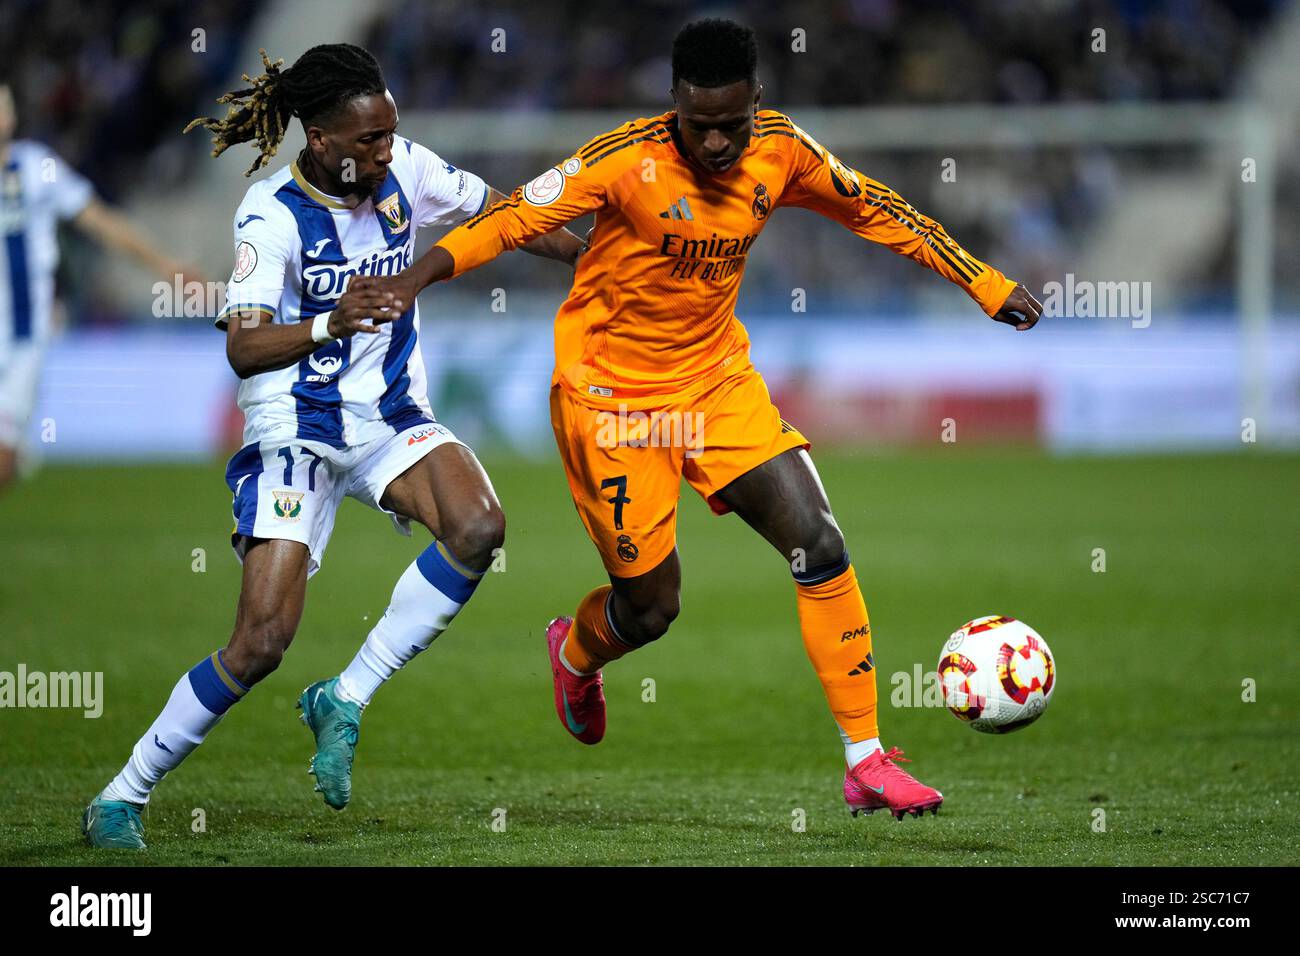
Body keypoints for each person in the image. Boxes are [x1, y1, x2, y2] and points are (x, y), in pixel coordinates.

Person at [369, 19, 1044, 820]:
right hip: (610, 402)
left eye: (733, 124)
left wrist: (983, 281)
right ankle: (577, 653)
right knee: (651, 608)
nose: (719, 144)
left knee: (818, 542)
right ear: (674, 106)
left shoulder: (783, 149)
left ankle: (866, 758)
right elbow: (511, 218)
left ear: (757, 101)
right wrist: (415, 280)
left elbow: (877, 210)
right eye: (700, 125)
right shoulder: (623, 157)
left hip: (716, 382)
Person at [82, 44, 585, 849]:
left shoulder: (408, 170)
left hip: (389, 417)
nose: (387, 152)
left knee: (479, 527)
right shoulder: (269, 213)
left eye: (391, 134)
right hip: (296, 431)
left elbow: (511, 218)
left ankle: (345, 697)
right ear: (319, 138)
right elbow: (243, 347)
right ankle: (123, 794)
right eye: (369, 141)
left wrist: (600, 256)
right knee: (260, 644)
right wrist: (328, 321)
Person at [0, 80, 196, 490]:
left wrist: (164, 265)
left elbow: (99, 220)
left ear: (13, 115)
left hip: (22, 338)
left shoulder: (36, 168)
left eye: (4, 105)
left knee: (4, 459)